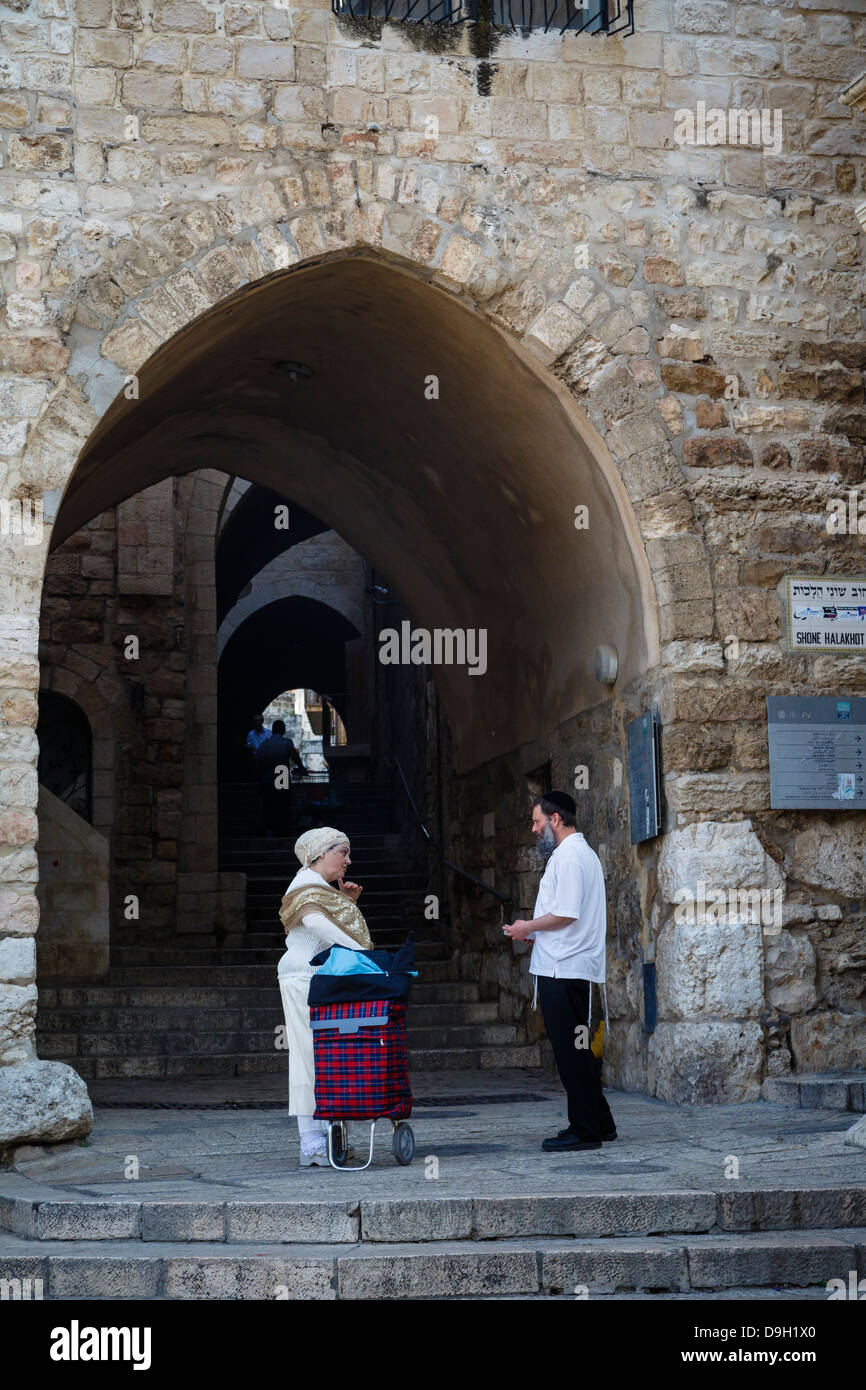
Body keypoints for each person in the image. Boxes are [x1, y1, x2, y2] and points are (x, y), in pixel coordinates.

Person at [502, 790, 616, 1152]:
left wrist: (526, 927)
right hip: (569, 964)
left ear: (554, 819)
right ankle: (600, 1122)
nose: (534, 830)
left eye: (537, 822)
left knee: (570, 1052)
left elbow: (566, 913)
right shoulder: (583, 854)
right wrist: (537, 933)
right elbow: (568, 915)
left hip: (563, 969)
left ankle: (583, 1129)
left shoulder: (568, 858)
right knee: (577, 1049)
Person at [277, 826, 372, 1167]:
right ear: (319, 855)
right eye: (342, 852)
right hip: (303, 976)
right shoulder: (304, 885)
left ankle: (329, 1137)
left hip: (318, 977)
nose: (348, 859)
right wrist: (362, 950)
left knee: (324, 1055)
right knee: (307, 1056)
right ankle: (312, 1144)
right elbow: (317, 925)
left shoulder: (317, 886)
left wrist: (346, 904)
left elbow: (327, 928)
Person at [255, 719, 306, 834]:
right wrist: (302, 769)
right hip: (281, 778)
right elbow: (295, 757)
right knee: (282, 804)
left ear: (272, 731)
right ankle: (282, 828)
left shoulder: (264, 745)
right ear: (283, 730)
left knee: (268, 805)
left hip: (266, 779)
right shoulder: (287, 742)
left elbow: (257, 762)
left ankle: (269, 829)